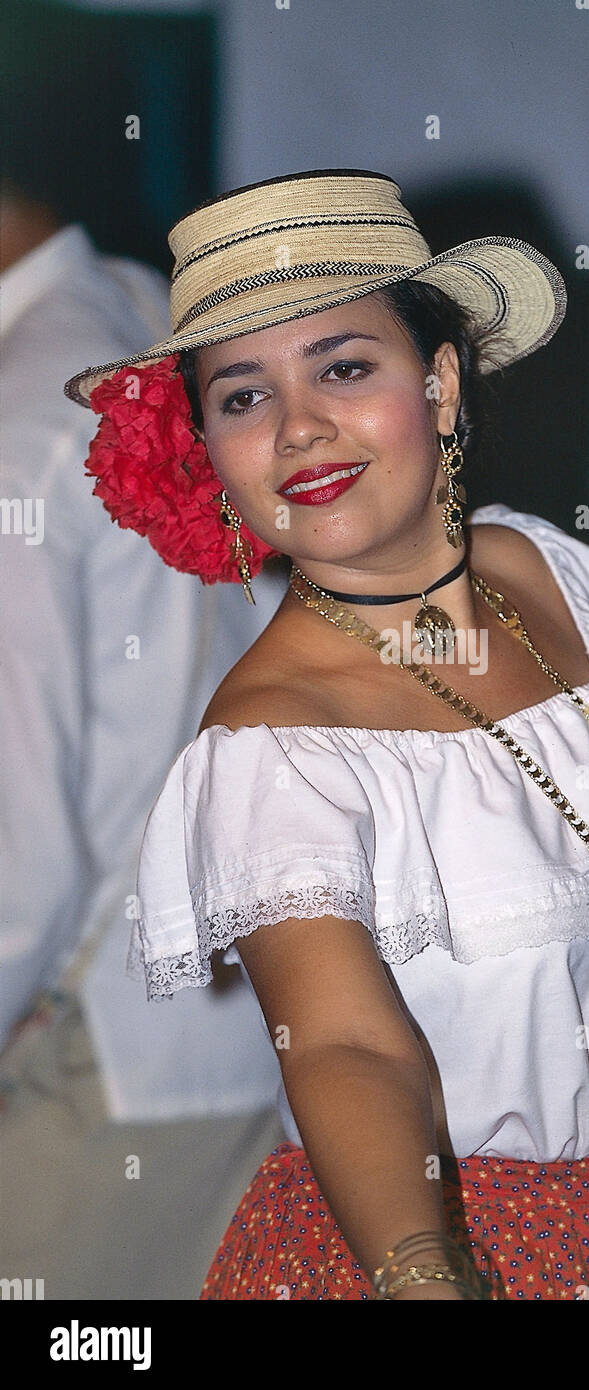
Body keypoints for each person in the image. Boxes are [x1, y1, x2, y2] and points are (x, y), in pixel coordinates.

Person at [64, 168, 589, 1300]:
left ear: (438, 383)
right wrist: (418, 1267)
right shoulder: (274, 743)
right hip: (470, 1254)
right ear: (210, 447)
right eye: (242, 396)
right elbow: (343, 1044)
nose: (298, 427)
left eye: (344, 367)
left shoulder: (529, 567)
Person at [0, 186, 285, 1299]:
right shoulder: (132, 311)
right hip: (240, 1029)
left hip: (87, 1064)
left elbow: (16, 878)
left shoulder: (21, 425)